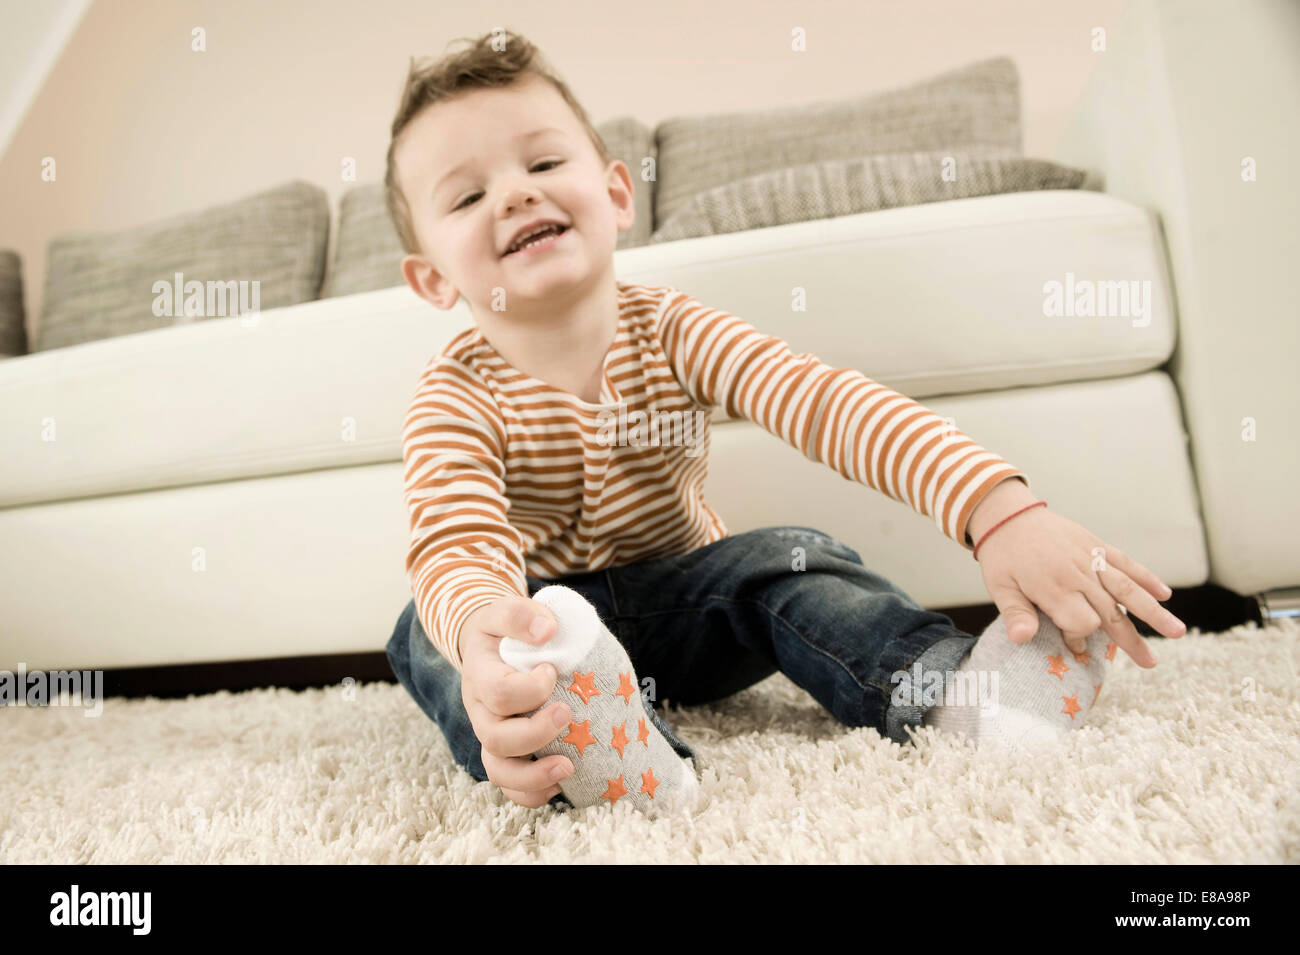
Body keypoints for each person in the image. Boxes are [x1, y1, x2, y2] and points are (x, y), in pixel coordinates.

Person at [382, 29, 1187, 812]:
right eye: (468, 194)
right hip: (550, 636)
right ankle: (590, 759)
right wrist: (491, 628)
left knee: (786, 554)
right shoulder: (453, 394)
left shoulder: (672, 329)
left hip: (689, 611)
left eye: (545, 161)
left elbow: (825, 403)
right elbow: (457, 541)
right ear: (430, 278)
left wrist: (999, 509)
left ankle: (949, 692)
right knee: (433, 627)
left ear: (617, 194)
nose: (517, 192)